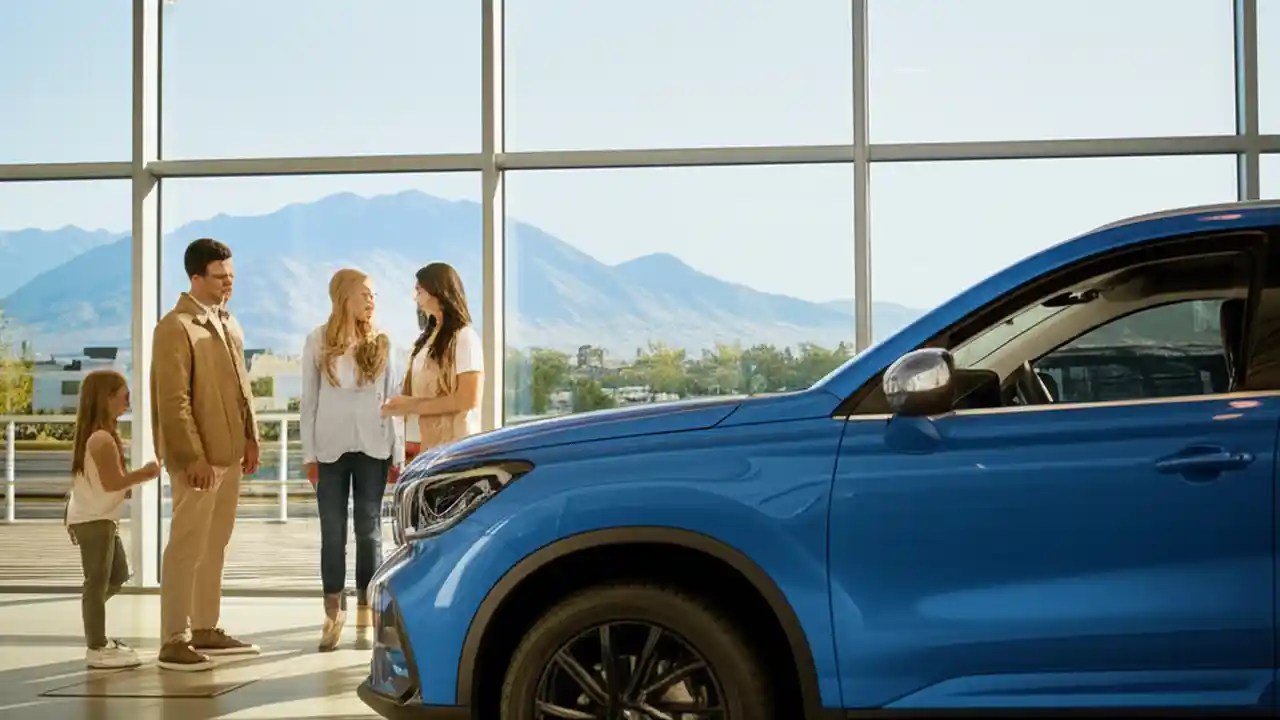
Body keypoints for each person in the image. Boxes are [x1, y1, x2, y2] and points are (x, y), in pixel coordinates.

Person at [152, 238, 262, 672]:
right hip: (198, 462)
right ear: (195, 277)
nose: (227, 284)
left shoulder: (229, 323)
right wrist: (191, 457)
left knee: (214, 544)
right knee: (185, 547)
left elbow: (242, 389)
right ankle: (173, 638)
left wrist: (252, 438)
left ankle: (204, 628)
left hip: (230, 456)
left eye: (231, 276)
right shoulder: (175, 327)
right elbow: (173, 400)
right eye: (219, 277)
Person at [300, 268, 404, 652]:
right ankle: (332, 613)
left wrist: (397, 452)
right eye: (364, 293)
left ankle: (368, 611)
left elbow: (394, 401)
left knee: (369, 529)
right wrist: (308, 454)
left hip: (374, 449)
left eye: (373, 294)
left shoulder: (384, 343)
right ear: (344, 296)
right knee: (332, 532)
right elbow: (308, 402)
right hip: (329, 449)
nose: (371, 300)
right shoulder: (317, 340)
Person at [65, 370, 161, 669]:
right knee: (96, 583)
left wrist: (126, 486)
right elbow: (112, 482)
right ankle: (96, 645)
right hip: (95, 520)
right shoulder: (101, 439)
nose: (127, 403)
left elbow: (104, 482)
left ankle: (93, 621)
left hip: (101, 517)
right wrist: (145, 474)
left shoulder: (98, 437)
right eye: (123, 397)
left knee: (116, 575)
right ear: (106, 399)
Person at [381, 262, 484, 451]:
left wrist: (413, 405)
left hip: (455, 447)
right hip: (426, 446)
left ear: (437, 290)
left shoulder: (464, 337)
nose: (415, 297)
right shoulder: (427, 340)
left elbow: (468, 398)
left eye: (419, 290)